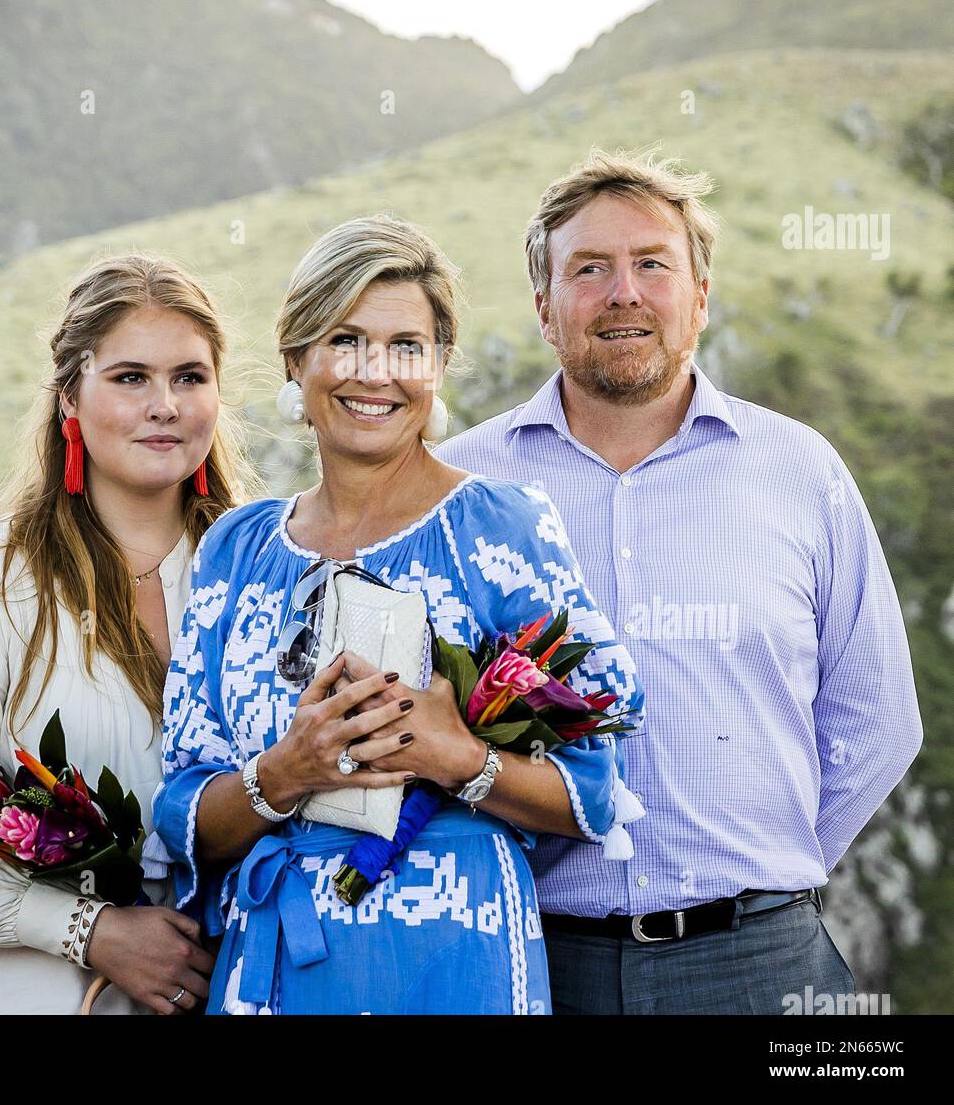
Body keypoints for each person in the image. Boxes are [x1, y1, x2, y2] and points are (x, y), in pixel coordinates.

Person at [435, 147, 925, 1015]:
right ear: (544, 308)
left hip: (764, 968)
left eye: (651, 264)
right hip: (537, 966)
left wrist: (755, 875)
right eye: (588, 268)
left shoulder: (797, 470)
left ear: (698, 296)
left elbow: (876, 721)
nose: (622, 291)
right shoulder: (458, 488)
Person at [146, 214, 646, 1015]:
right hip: (267, 964)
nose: (374, 373)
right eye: (344, 340)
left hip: (452, 966)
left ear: (439, 364)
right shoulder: (235, 549)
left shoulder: (498, 528)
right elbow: (182, 815)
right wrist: (285, 774)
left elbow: (591, 792)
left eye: (406, 346)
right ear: (295, 361)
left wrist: (459, 758)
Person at [0, 254, 259, 1014]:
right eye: (130, 377)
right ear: (69, 399)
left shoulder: (260, 575)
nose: (165, 406)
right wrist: (91, 929)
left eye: (189, 377)